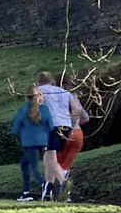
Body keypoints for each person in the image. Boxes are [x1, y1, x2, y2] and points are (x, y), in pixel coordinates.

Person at [31, 72, 90, 202]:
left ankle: (63, 183)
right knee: (50, 156)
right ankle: (48, 189)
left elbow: (36, 105)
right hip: (67, 127)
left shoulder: (39, 90)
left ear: (38, 82)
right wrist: (73, 123)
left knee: (50, 157)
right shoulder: (65, 92)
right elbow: (77, 110)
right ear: (52, 81)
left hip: (51, 125)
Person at [11, 91, 52, 200]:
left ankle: (45, 185)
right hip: (43, 140)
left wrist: (17, 134)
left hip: (29, 142)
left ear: (26, 98)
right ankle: (26, 192)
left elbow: (16, 126)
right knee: (24, 163)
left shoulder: (24, 109)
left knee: (33, 166)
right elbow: (51, 125)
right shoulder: (44, 109)